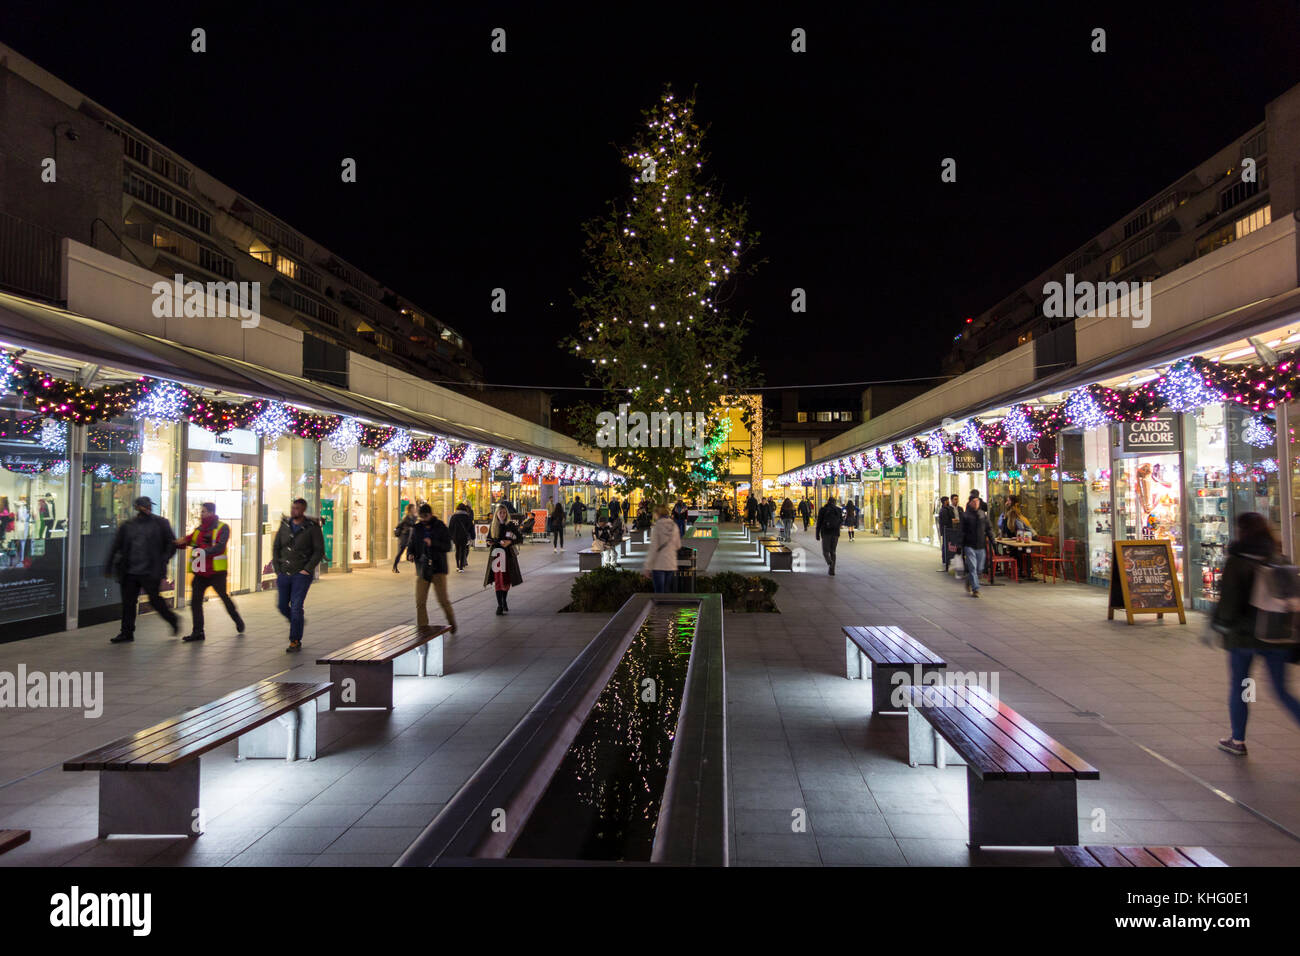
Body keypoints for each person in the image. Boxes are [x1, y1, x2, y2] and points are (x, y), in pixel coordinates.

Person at [1210, 512, 1300, 756]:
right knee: (1281, 691)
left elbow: (1229, 602)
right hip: (1276, 636)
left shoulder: (1238, 559)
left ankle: (1237, 740)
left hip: (1244, 639)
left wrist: (1218, 625)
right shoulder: (1277, 557)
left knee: (1243, 686)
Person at [107, 496, 180, 643]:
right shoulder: (127, 526)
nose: (148, 508)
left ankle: (172, 619)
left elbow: (171, 544)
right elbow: (116, 547)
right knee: (128, 603)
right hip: (130, 571)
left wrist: (163, 559)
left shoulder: (161, 523)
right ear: (137, 508)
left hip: (150, 571)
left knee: (155, 600)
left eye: (149, 506)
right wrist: (109, 565)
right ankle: (126, 632)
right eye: (144, 506)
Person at [176, 502, 244, 642]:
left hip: (216, 572)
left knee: (223, 597)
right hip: (200, 573)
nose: (202, 514)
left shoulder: (222, 527)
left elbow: (220, 547)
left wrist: (202, 552)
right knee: (195, 602)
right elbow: (190, 540)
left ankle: (237, 619)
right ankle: (198, 632)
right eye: (201, 512)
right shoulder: (199, 529)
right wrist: (178, 542)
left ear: (212, 513)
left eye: (204, 512)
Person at [271, 497, 324, 653]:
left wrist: (307, 569)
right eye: (293, 508)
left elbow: (319, 550)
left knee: (296, 607)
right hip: (284, 573)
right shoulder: (285, 525)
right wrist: (277, 568)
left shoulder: (312, 527)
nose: (294, 511)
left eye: (297, 508)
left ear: (303, 510)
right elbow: (276, 547)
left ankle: (295, 640)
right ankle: (297, 622)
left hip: (301, 574)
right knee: (281, 606)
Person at [408, 503, 457, 634]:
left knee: (443, 600)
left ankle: (452, 623)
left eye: (425, 516)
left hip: (438, 569)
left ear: (431, 514)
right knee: (420, 601)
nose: (423, 519)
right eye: (421, 517)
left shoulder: (440, 527)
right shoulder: (417, 528)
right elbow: (411, 544)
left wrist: (433, 543)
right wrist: (410, 554)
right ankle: (423, 628)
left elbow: (448, 546)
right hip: (423, 569)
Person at [484, 503, 522, 615]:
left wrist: (510, 542)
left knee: (505, 580)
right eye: (500, 512)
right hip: (496, 556)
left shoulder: (510, 525)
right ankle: (499, 605)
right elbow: (488, 539)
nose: (502, 515)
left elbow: (520, 538)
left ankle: (504, 600)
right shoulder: (493, 525)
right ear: (497, 514)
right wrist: (489, 542)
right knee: (498, 581)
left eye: (504, 512)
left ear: (506, 514)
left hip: (507, 556)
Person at [644, 503, 682, 593]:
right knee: (667, 591)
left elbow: (653, 549)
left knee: (659, 592)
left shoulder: (657, 527)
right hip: (671, 563)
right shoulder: (674, 526)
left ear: (657, 514)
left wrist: (648, 567)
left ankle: (659, 607)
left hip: (659, 564)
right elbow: (678, 545)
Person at [960, 497, 992, 598]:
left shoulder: (982, 514)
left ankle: (969, 580)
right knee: (973, 567)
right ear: (969, 503)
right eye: (974, 501)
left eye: (977, 501)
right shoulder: (965, 515)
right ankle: (976, 589)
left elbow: (988, 528)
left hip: (981, 545)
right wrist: (959, 545)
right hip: (969, 545)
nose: (976, 503)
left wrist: (993, 540)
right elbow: (961, 531)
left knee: (979, 569)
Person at [815, 495, 843, 576]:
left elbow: (819, 522)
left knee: (825, 552)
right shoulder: (838, 510)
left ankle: (830, 562)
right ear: (834, 502)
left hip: (826, 532)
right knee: (833, 551)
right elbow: (841, 521)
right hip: (835, 533)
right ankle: (832, 570)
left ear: (828, 501)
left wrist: (817, 533)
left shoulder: (823, 510)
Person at [391, 503, 418, 573]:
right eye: (413, 508)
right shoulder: (406, 518)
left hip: (410, 538)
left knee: (415, 552)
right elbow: (400, 526)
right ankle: (394, 567)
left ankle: (418, 569)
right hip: (404, 537)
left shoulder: (414, 517)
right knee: (400, 552)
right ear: (410, 509)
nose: (414, 509)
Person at [449, 503, 474, 572]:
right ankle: (461, 568)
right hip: (464, 536)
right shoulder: (467, 516)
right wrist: (472, 536)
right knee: (463, 551)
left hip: (456, 536)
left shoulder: (453, 516)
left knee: (457, 550)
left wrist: (451, 536)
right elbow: (471, 527)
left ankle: (457, 566)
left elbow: (450, 527)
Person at [937, 495, 958, 572]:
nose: (948, 501)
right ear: (945, 502)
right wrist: (952, 521)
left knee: (946, 544)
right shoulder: (944, 510)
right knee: (946, 545)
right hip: (947, 530)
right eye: (947, 500)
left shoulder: (945, 509)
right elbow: (946, 521)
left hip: (947, 530)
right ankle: (945, 560)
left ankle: (946, 560)